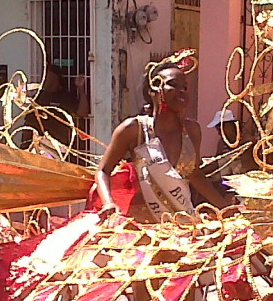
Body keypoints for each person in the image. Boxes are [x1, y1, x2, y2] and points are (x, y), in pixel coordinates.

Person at [95, 54, 231, 222]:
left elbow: (194, 174)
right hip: (143, 224)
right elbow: (103, 171)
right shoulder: (133, 129)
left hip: (182, 222)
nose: (182, 91)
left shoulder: (192, 130)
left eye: (185, 87)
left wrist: (224, 208)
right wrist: (108, 203)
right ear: (153, 90)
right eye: (173, 84)